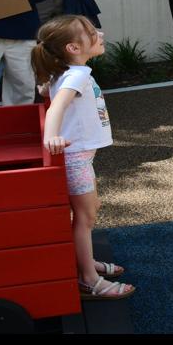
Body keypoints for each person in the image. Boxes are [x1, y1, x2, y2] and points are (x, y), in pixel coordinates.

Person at [32, 15, 134, 300]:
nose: (99, 34)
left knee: (88, 211)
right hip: (75, 156)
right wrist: (51, 135)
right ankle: (89, 279)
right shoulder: (76, 74)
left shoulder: (68, 71)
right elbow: (56, 107)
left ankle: (85, 262)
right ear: (73, 48)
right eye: (91, 32)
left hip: (80, 156)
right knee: (86, 217)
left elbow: (47, 92)